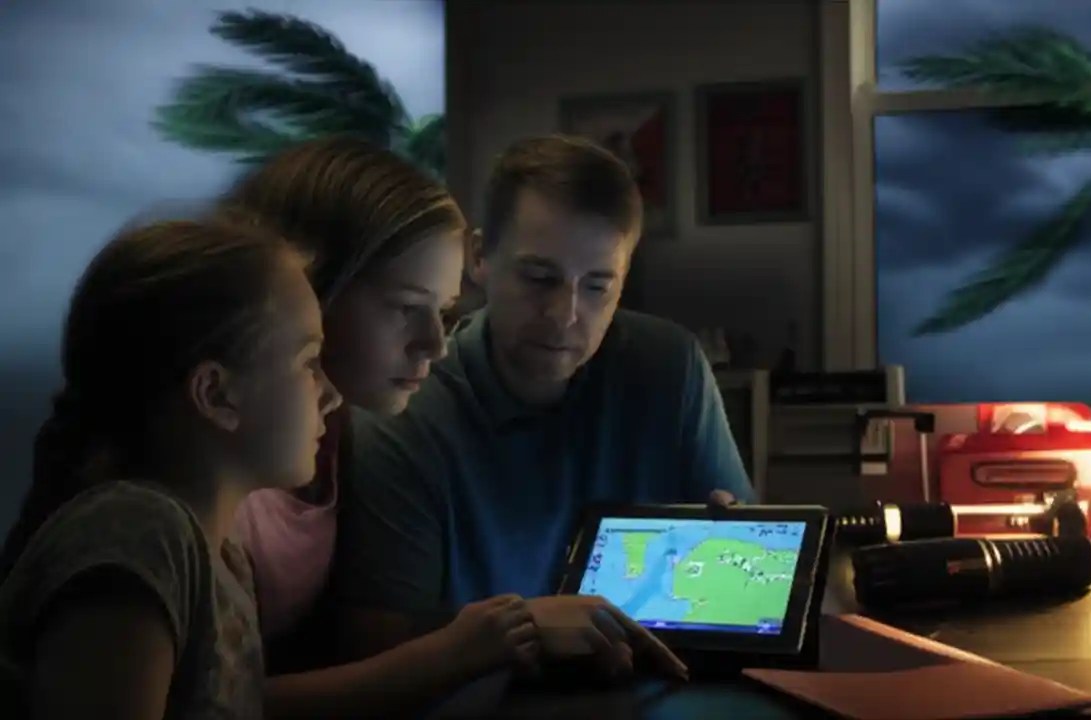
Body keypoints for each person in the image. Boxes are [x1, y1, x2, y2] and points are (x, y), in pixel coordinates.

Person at [215, 136, 683, 715]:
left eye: (442, 313)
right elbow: (207, 704)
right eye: (406, 307)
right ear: (311, 294)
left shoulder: (327, 443)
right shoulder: (214, 484)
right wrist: (492, 641)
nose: (436, 346)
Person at [333, 134, 756, 661]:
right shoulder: (409, 404)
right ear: (480, 257)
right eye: (539, 278)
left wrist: (735, 559)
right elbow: (379, 646)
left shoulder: (669, 368)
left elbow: (746, 568)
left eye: (597, 286)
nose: (565, 315)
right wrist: (523, 636)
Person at [0, 218, 342, 718]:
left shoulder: (220, 556)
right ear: (216, 394)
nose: (331, 395)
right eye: (308, 362)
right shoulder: (141, 534)